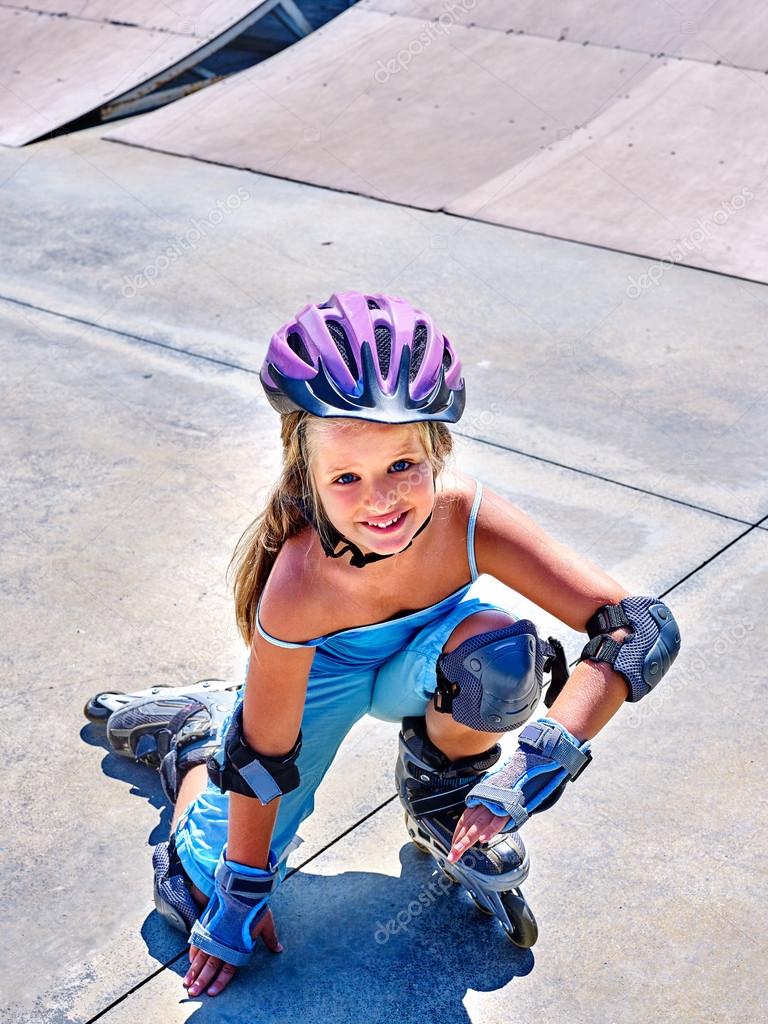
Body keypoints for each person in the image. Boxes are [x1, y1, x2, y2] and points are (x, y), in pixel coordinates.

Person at [92, 290, 680, 996]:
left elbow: (637, 628)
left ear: (439, 450)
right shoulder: (300, 581)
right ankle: (192, 739)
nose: (381, 500)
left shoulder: (465, 514)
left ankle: (442, 788)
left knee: (502, 654)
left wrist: (534, 763)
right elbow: (261, 761)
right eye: (346, 478)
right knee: (198, 891)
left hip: (421, 660)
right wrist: (242, 891)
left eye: (403, 466)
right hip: (319, 679)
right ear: (306, 476)